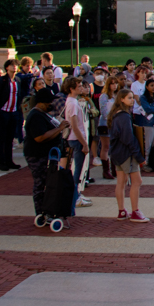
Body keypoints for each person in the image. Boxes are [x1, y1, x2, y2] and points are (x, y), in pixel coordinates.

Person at [23, 88, 70, 223]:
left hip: (47, 155)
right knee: (41, 183)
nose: (52, 105)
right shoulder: (36, 116)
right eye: (50, 102)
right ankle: (42, 212)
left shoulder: (43, 114)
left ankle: (48, 210)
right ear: (42, 103)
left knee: (48, 182)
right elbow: (40, 137)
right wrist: (59, 129)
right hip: (37, 155)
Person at [107, 88, 149, 222]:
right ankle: (135, 211)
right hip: (126, 153)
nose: (132, 100)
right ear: (122, 99)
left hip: (117, 153)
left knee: (121, 181)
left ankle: (121, 211)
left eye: (132, 97)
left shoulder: (116, 115)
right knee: (136, 181)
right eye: (129, 98)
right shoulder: (124, 116)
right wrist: (139, 157)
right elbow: (128, 138)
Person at [63, 76, 93, 210]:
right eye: (79, 86)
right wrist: (85, 144)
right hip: (76, 139)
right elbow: (74, 126)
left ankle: (77, 194)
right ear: (72, 88)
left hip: (76, 138)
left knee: (78, 170)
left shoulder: (72, 101)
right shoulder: (73, 104)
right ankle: (75, 197)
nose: (82, 88)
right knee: (77, 171)